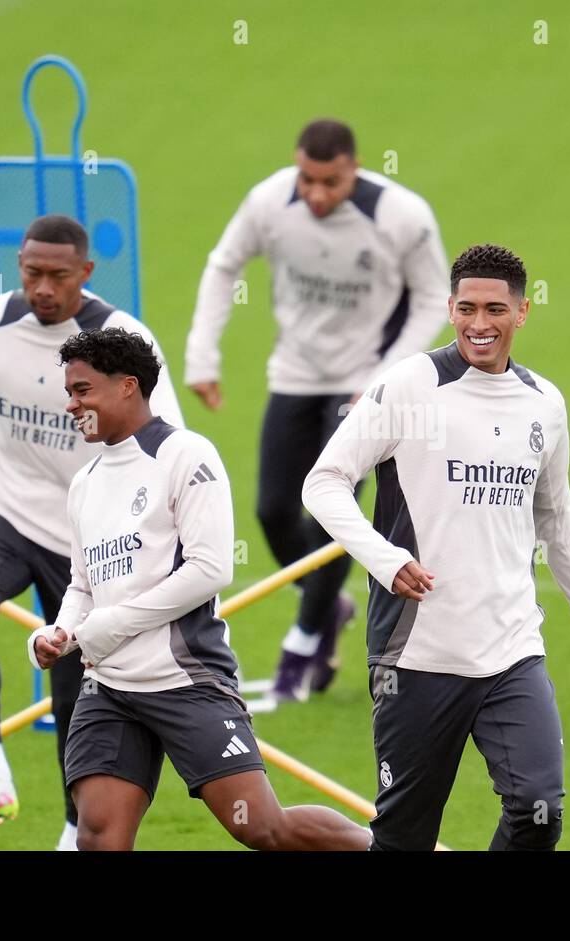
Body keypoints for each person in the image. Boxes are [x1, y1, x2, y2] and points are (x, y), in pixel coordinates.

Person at [302, 244, 570, 851]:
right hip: (416, 656)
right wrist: (387, 562)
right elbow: (323, 483)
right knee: (404, 837)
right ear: (449, 308)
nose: (478, 324)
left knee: (538, 810)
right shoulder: (410, 384)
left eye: (495, 309)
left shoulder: (544, 402)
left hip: (511, 650)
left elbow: (556, 516)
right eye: (466, 309)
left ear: (523, 311)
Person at [29, 328, 371, 851]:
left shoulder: (186, 455)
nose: (70, 404)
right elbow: (83, 585)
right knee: (98, 836)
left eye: (82, 391)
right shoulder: (86, 483)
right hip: (109, 688)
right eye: (69, 392)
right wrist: (58, 631)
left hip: (184, 679)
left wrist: (113, 624)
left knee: (260, 827)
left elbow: (211, 569)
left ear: (127, 387)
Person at [0, 214, 183, 849]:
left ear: (85, 274)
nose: (43, 287)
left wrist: (166, 527)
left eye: (58, 277)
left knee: (75, 695)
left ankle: (73, 831)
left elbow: (168, 435)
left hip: (89, 542)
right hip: (8, 509)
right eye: (32, 273)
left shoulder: (122, 339)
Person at [184, 118, 450, 700]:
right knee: (273, 509)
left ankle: (305, 644)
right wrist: (202, 354)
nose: (317, 194)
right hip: (295, 373)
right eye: (307, 179)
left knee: (330, 509)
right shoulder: (269, 201)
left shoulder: (401, 216)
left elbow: (435, 295)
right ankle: (330, 605)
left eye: (330, 182)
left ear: (354, 169)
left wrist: (384, 381)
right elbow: (224, 264)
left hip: (361, 381)